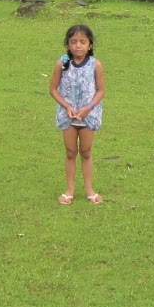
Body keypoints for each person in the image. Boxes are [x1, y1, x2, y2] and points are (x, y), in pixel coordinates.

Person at [51, 23, 106, 204]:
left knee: (86, 151)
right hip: (68, 115)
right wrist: (67, 106)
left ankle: (90, 190)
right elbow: (53, 89)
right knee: (70, 151)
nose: (78, 46)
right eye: (73, 42)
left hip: (87, 116)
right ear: (67, 44)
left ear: (90, 44)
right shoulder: (62, 64)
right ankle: (69, 190)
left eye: (83, 41)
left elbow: (100, 91)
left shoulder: (95, 65)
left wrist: (88, 108)